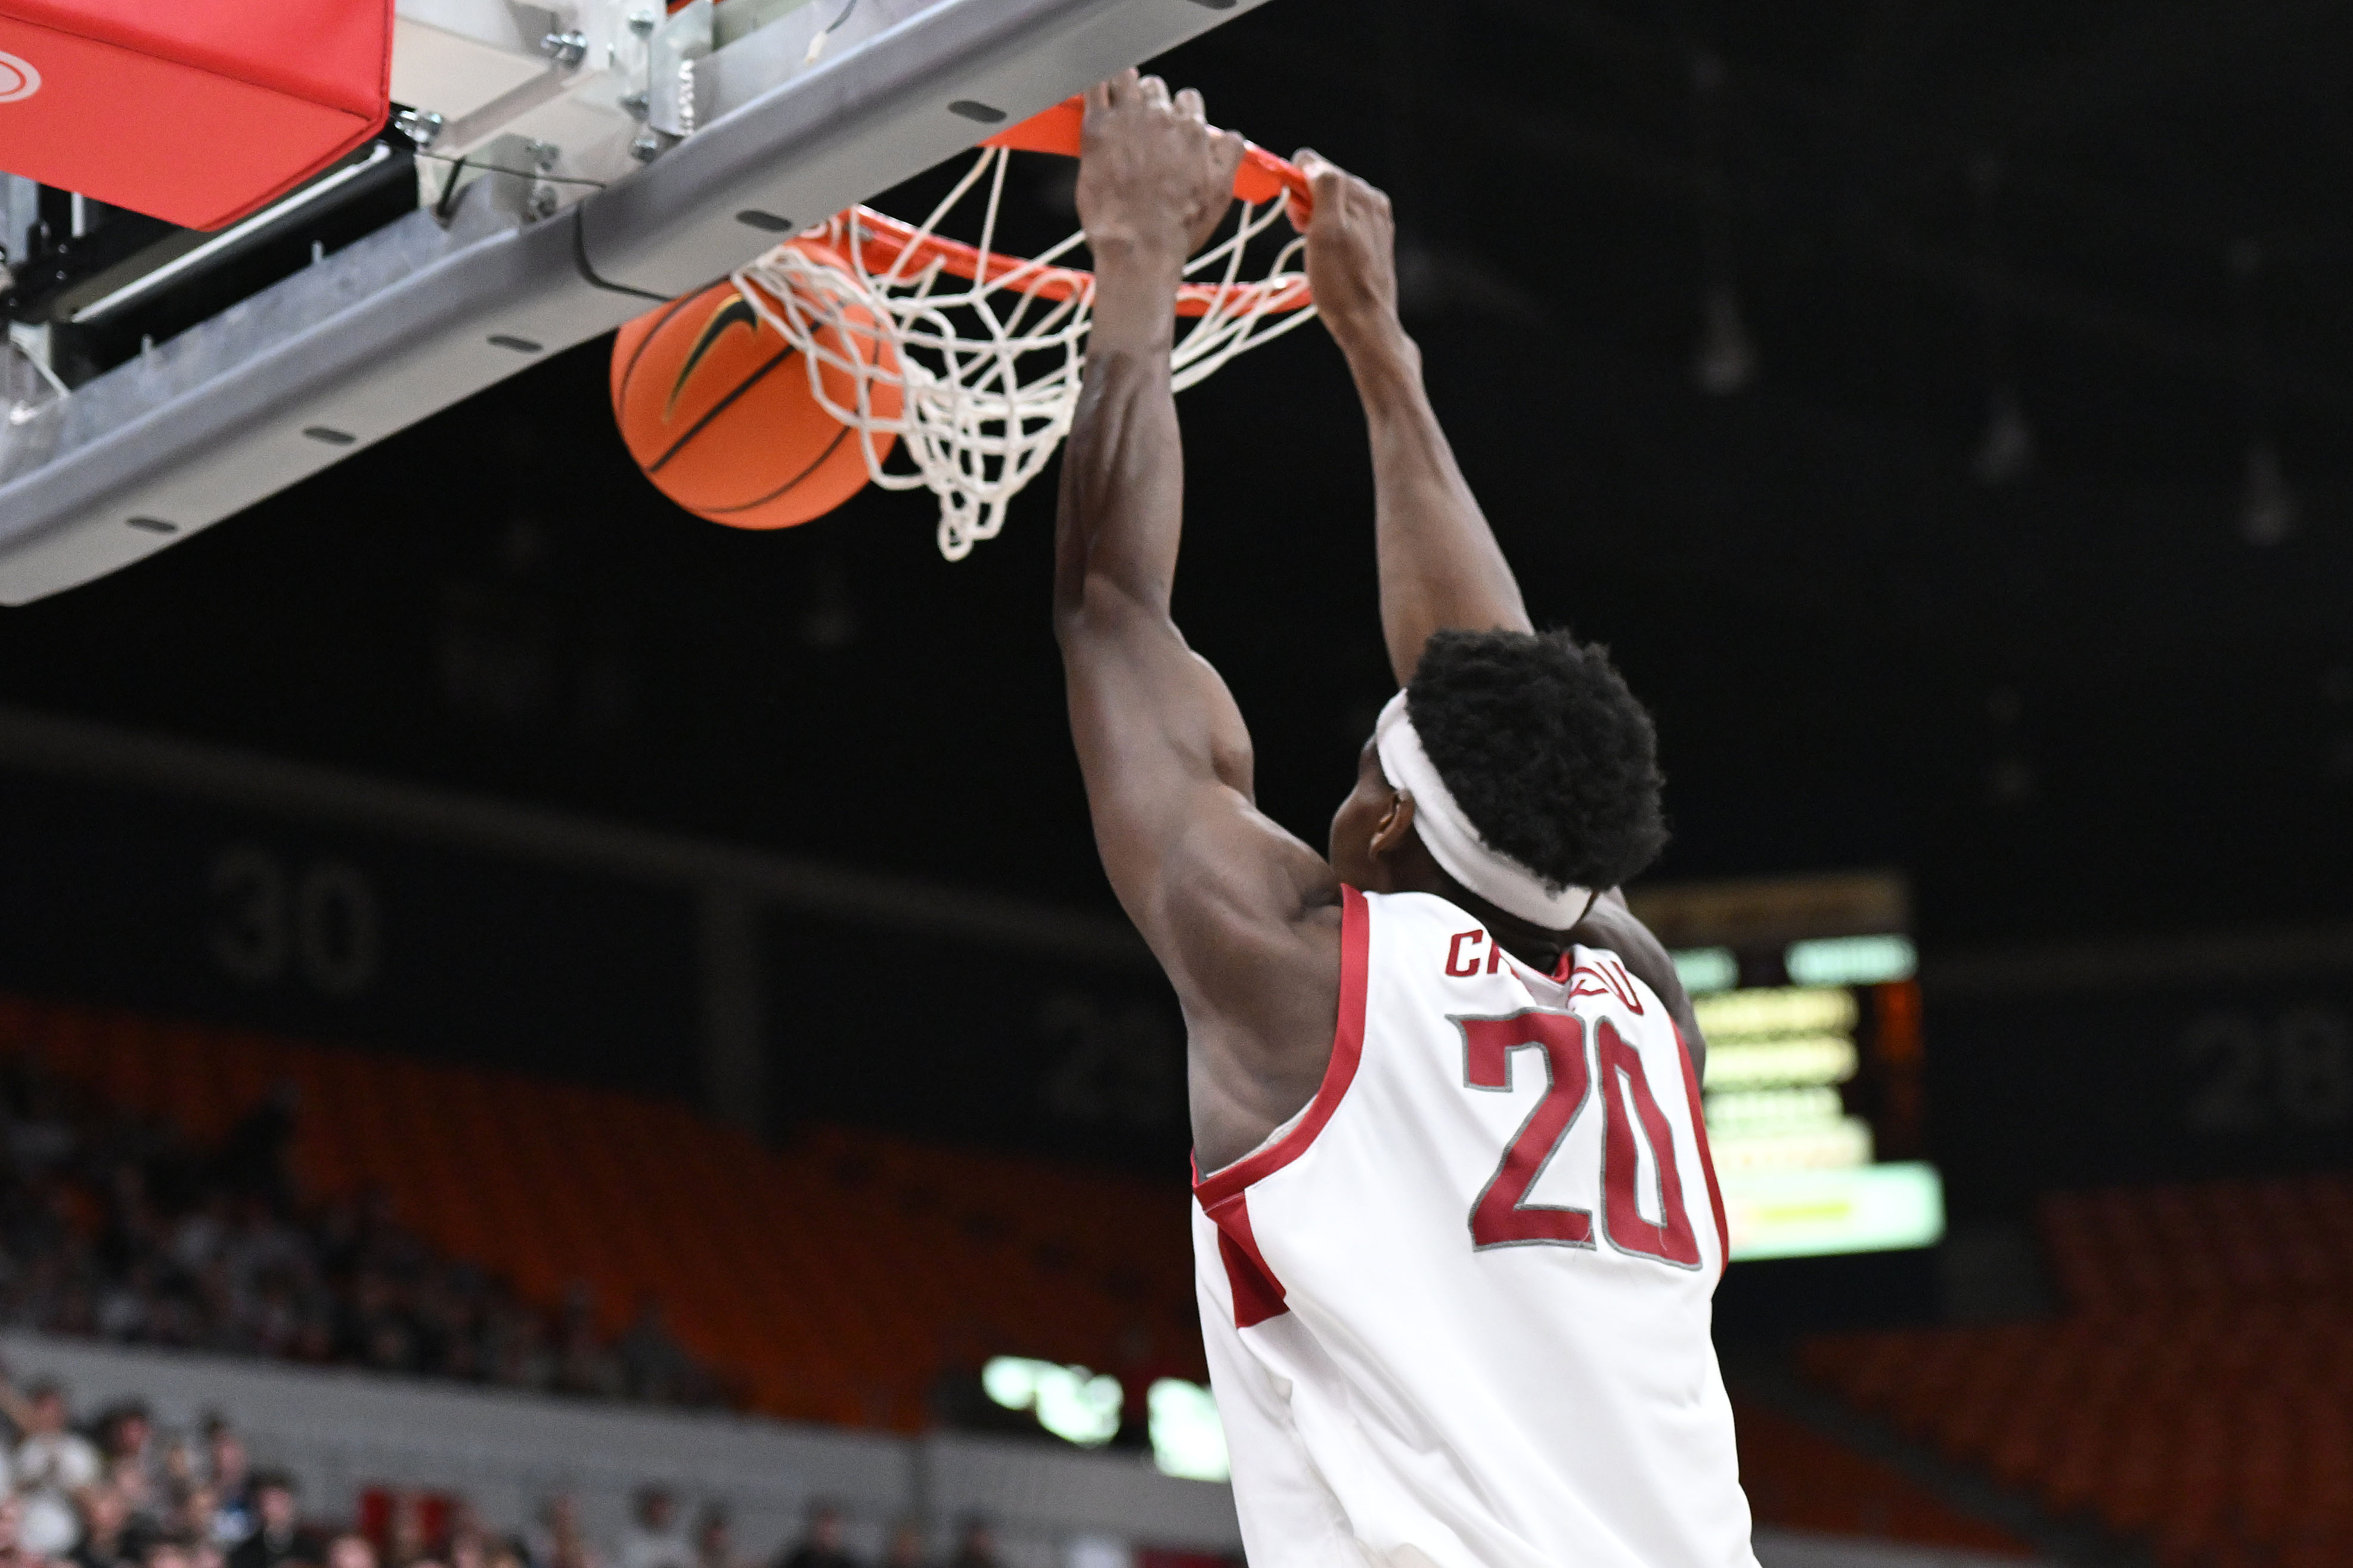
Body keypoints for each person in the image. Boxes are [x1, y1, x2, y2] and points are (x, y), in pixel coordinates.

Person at [1053, 70, 1756, 1568]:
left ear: (1383, 831)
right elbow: (1485, 685)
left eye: (1368, 771)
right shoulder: (1643, 1000)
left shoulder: (1300, 970)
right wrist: (1378, 352)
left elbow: (1111, 610)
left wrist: (1134, 253)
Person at [7, 1380, 101, 1558]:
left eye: (52, 1410)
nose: (45, 1416)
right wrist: (33, 1480)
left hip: (63, 1549)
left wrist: (64, 1477)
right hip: (16, 1546)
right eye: (40, 1409)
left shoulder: (79, 1451)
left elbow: (94, 1505)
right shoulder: (19, 1448)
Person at [223, 1476, 307, 1568]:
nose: (271, 1510)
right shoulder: (244, 1553)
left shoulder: (309, 1549)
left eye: (278, 1502)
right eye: (266, 1503)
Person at [611, 1492, 687, 1568]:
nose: (662, 1513)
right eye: (657, 1510)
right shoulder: (633, 1544)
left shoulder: (679, 1542)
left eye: (665, 1509)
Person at [767, 1507, 854, 1568]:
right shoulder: (797, 1561)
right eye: (823, 1531)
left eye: (829, 1533)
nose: (825, 1537)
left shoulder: (846, 1564)